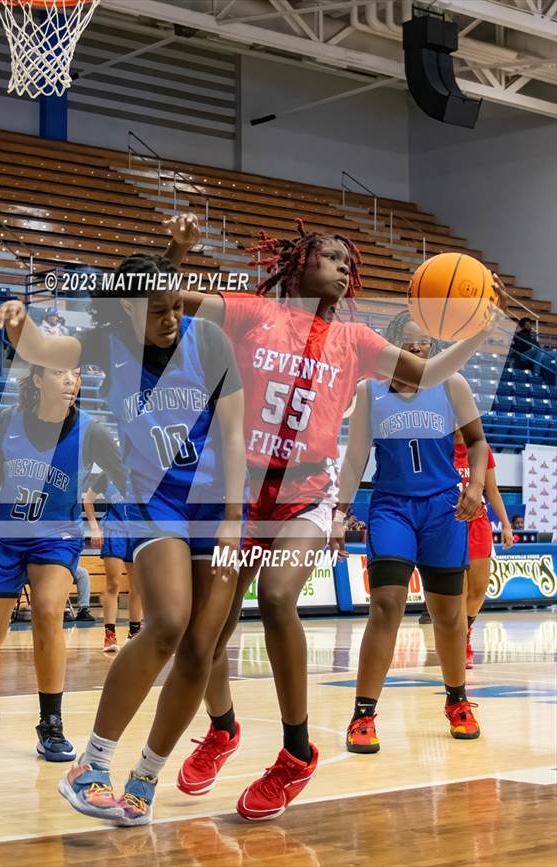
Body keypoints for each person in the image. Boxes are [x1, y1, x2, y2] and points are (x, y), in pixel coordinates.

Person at [167, 215, 508, 820]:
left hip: (306, 495)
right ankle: (222, 730)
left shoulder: (357, 342)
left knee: (277, 598)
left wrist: (479, 329)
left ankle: (296, 751)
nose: (344, 265)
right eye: (330, 255)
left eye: (349, 260)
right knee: (206, 637)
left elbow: (428, 374)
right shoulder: (252, 314)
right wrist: (179, 249)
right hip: (240, 497)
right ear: (300, 263)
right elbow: (165, 295)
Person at [0, 252, 246, 826]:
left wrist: (232, 514)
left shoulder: (211, 343)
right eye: (158, 310)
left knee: (202, 646)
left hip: (213, 503)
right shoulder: (106, 343)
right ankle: (91, 765)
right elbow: (42, 352)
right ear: (126, 310)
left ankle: (144, 778)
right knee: (169, 623)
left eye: (177, 305)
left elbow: (233, 430)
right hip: (154, 500)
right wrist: (19, 317)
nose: (173, 317)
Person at [0, 365, 127, 761]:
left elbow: (128, 476)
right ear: (37, 380)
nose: (71, 380)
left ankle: (51, 724)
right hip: (5, 535)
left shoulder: (92, 432)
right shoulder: (11, 419)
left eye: (76, 373)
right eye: (61, 372)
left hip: (56, 534)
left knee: (48, 612)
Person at [334, 311, 489, 753]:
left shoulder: (452, 384)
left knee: (449, 615)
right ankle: (363, 714)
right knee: (386, 606)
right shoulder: (370, 392)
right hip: (392, 508)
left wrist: (475, 486)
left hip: (444, 509)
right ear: (393, 344)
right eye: (411, 341)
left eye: (426, 343)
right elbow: (355, 456)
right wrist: (339, 512)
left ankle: (457, 702)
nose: (419, 349)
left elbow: (478, 442)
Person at [454, 430, 513, 668]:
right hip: (451, 524)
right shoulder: (439, 449)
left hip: (478, 524)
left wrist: (506, 525)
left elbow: (493, 491)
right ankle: (458, 643)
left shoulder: (480, 449)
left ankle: (466, 630)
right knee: (459, 592)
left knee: (477, 593)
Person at [84, 472, 143, 651]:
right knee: (113, 584)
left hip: (137, 531)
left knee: (137, 586)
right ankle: (110, 636)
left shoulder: (143, 472)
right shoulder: (107, 474)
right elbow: (88, 500)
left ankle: (134, 634)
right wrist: (94, 527)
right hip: (114, 530)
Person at [511, 318, 556, 384]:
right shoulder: (519, 335)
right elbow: (517, 347)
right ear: (523, 326)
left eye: (529, 324)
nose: (529, 325)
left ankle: (550, 379)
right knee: (539, 351)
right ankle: (536, 373)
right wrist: (531, 348)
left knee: (554, 353)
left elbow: (538, 346)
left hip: (536, 355)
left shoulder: (532, 337)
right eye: (527, 324)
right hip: (523, 356)